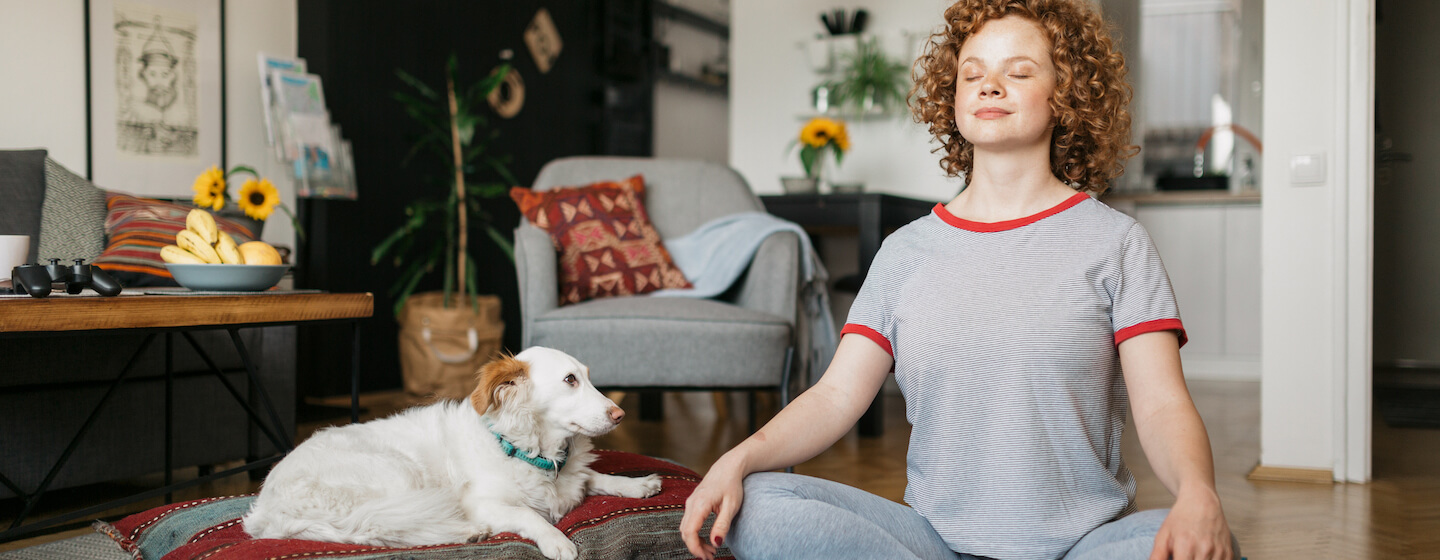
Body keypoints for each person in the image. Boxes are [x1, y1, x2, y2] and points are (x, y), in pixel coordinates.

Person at [679, 1, 1239, 559]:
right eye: (973, 74)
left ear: (1066, 94)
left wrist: (1198, 493)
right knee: (758, 502)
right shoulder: (905, 250)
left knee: (1211, 546)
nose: (990, 86)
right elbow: (834, 397)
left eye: (1018, 72)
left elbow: (1163, 405)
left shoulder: (1116, 242)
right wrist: (740, 457)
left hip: (1082, 546)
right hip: (934, 547)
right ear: (953, 95)